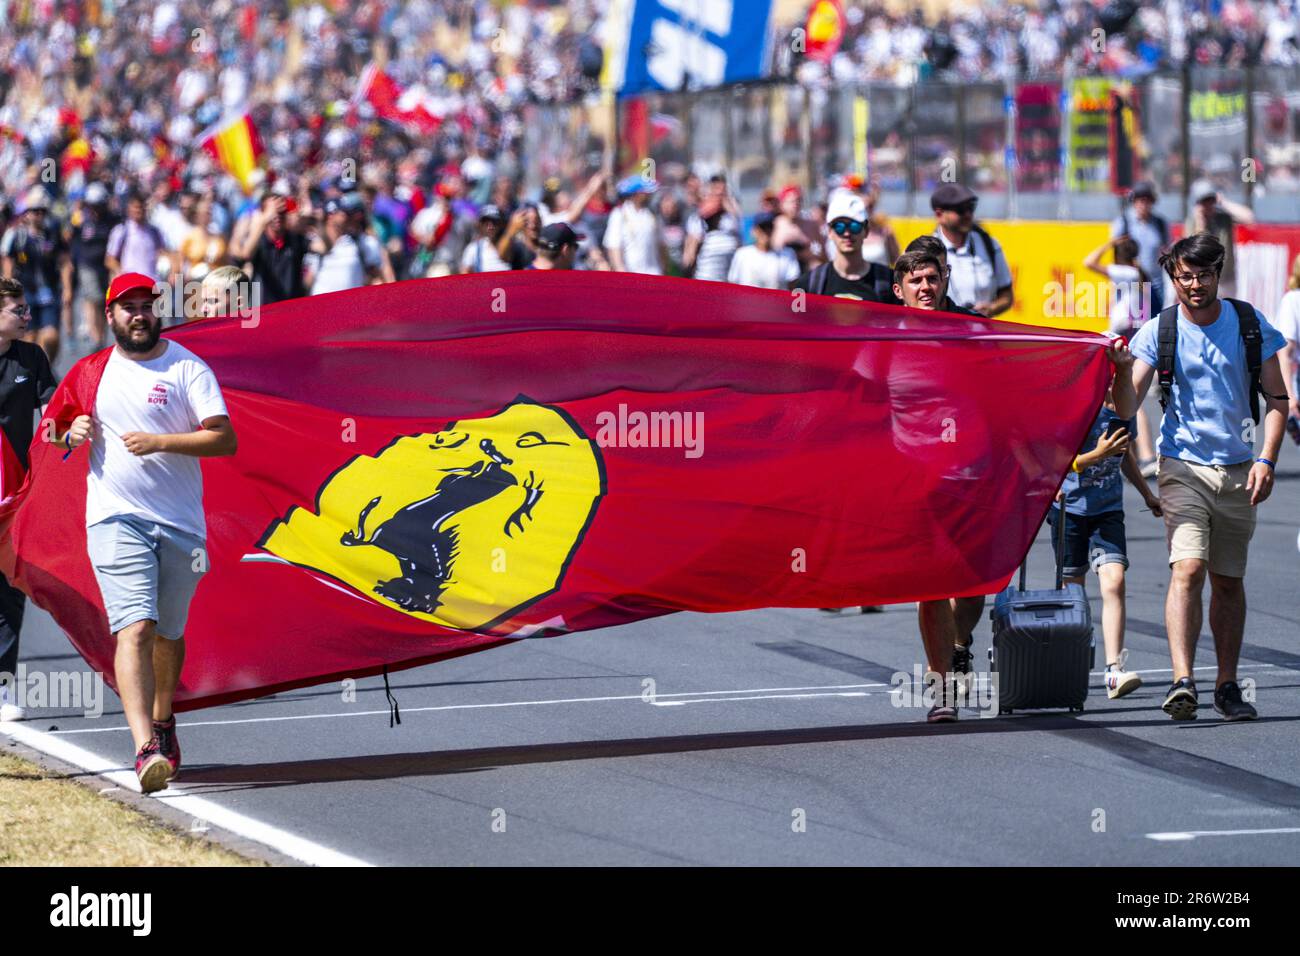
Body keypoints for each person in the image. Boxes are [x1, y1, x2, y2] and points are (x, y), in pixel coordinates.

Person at [56, 272, 238, 792]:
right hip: (114, 517)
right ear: (109, 316)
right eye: (127, 307)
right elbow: (52, 430)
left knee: (168, 635)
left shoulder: (186, 366)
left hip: (180, 522)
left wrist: (161, 442)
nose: (139, 314)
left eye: (146, 305)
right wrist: (71, 433)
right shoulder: (91, 372)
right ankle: (144, 749)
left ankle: (163, 719)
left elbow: (223, 440)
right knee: (135, 627)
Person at [1123, 234, 1289, 721]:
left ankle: (1227, 685)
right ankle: (1182, 681)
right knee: (1188, 568)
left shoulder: (1249, 324)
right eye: (1184, 277)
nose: (1194, 285)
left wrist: (1267, 459)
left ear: (1218, 273)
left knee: (1228, 581)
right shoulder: (1160, 329)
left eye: (1203, 275)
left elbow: (1277, 400)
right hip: (1181, 468)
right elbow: (1127, 404)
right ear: (1173, 277)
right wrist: (1117, 371)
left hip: (1239, 470)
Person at [1050, 386, 1162, 702]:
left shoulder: (1126, 413)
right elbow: (1057, 459)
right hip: (1069, 510)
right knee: (1073, 593)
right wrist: (1095, 456)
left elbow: (1124, 456)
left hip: (1107, 510)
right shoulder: (1074, 409)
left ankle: (1114, 669)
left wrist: (1147, 494)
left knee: (1114, 582)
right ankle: (1070, 663)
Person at [0, 277, 58, 722]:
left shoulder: (32, 357)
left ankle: (2, 690)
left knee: (9, 590)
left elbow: (53, 411)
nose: (27, 316)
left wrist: (66, 432)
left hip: (15, 494)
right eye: (19, 310)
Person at [1084, 234, 1159, 472]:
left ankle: (1145, 455)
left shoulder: (1126, 272)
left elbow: (1089, 262)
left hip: (1123, 333)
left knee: (1129, 394)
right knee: (1122, 393)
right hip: (1131, 330)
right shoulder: (1139, 273)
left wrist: (1109, 243)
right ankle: (1135, 455)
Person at [0, 187, 73, 363]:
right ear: (27, 213)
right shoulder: (16, 234)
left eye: (42, 211)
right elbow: (8, 260)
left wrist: (68, 288)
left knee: (51, 336)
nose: (38, 215)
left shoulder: (53, 233)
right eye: (35, 211)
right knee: (29, 337)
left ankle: (47, 365)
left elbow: (64, 262)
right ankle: (34, 373)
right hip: (26, 292)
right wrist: (8, 291)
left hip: (49, 290)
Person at [791, 190, 894, 302]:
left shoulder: (888, 282)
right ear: (829, 231)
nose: (847, 234)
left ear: (866, 231)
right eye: (839, 227)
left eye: (854, 226)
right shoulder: (809, 284)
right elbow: (794, 317)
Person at [930, 183, 1013, 317]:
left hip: (982, 335)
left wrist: (990, 309)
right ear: (939, 214)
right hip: (942, 335)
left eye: (971, 207)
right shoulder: (925, 251)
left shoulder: (989, 245)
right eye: (961, 210)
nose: (968, 214)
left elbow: (1007, 296)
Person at [230, 192, 309, 305]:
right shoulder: (258, 239)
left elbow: (324, 248)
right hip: (262, 309)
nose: (277, 216)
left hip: (291, 308)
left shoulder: (295, 239)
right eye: (272, 212)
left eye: (281, 211)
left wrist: (307, 218)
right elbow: (245, 255)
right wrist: (262, 221)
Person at [1185, 180, 1255, 299]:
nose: (1208, 205)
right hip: (1203, 280)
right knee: (1143, 312)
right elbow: (1194, 250)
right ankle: (1143, 314)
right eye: (1204, 202)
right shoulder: (1192, 222)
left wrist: (1223, 202)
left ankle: (1143, 313)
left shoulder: (1223, 218)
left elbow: (1249, 218)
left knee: (1228, 313)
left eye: (1211, 200)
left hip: (1226, 279)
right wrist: (1200, 222)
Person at [1111, 181, 1169, 316]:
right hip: (1130, 284)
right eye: (1140, 199)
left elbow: (1166, 250)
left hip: (1155, 284)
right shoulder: (1123, 222)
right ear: (1134, 201)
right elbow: (1115, 250)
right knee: (1129, 324)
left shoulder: (1160, 224)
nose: (1144, 203)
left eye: (1147, 200)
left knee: (1154, 322)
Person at [70, 183, 117, 349]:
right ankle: (95, 337)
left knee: (105, 302)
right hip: (87, 266)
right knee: (93, 299)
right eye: (92, 205)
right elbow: (72, 241)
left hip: (106, 267)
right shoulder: (81, 220)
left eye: (98, 205)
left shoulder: (113, 221)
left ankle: (101, 338)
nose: (95, 209)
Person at [306, 196, 384, 295]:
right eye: (343, 213)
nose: (347, 216)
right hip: (321, 305)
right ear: (330, 216)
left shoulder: (361, 242)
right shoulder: (314, 243)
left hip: (351, 305)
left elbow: (375, 275)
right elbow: (308, 281)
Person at [682, 177, 741, 282]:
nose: (720, 198)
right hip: (705, 278)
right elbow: (689, 254)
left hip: (727, 280)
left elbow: (739, 240)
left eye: (723, 194)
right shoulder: (698, 218)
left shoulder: (731, 219)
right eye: (716, 194)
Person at [603, 177, 664, 275]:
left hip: (654, 274)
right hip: (630, 274)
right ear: (637, 194)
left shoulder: (653, 215)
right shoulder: (619, 214)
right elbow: (613, 247)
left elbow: (661, 245)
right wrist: (621, 272)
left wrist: (664, 270)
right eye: (645, 193)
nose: (649, 196)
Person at [727, 212, 800, 290]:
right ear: (754, 231)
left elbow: (793, 286)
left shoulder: (787, 255)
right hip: (747, 301)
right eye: (762, 228)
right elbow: (733, 284)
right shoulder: (742, 254)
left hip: (776, 301)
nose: (765, 233)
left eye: (769, 228)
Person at [106, 193, 166, 280]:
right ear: (129, 209)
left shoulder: (154, 231)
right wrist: (120, 272)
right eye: (136, 207)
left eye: (142, 207)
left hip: (152, 282)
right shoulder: (121, 230)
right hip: (131, 283)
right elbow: (110, 259)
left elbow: (162, 252)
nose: (139, 210)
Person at [771, 184, 826, 273]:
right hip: (782, 274)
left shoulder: (811, 225)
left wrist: (808, 255)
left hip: (805, 273)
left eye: (798, 201)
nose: (795, 205)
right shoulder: (775, 224)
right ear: (782, 204)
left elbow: (824, 255)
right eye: (791, 202)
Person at [459, 205, 511, 274]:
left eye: (494, 222)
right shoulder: (473, 249)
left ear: (501, 224)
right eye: (486, 222)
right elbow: (464, 273)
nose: (490, 226)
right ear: (480, 224)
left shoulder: (512, 246)